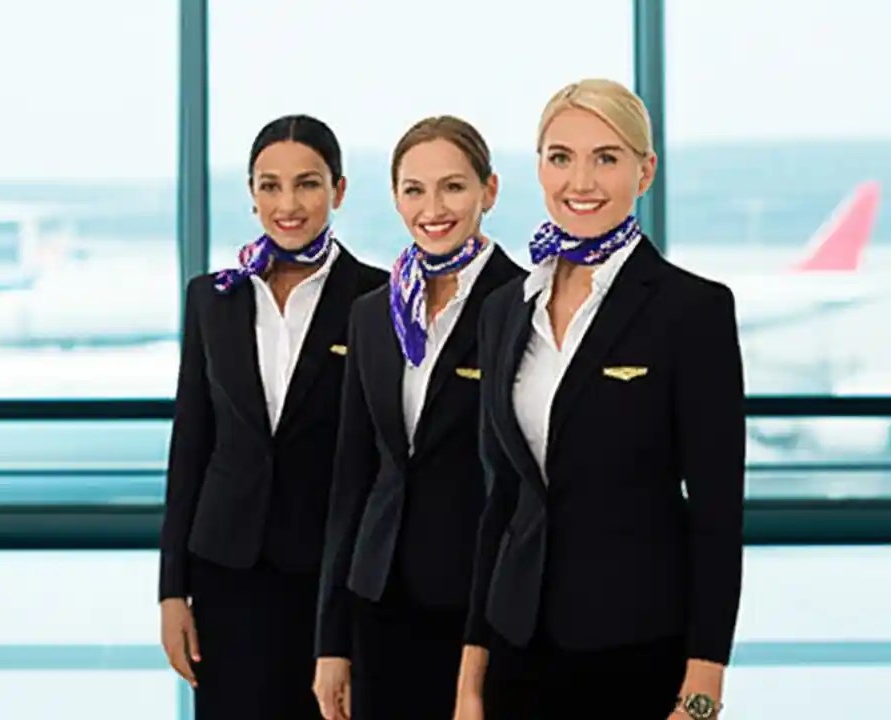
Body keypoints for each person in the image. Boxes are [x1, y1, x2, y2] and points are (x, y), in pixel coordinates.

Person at [453, 78, 746, 720]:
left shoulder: (691, 310)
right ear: (538, 168)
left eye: (606, 157)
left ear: (645, 172)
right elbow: (501, 501)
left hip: (637, 652)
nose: (580, 181)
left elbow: (718, 513)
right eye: (561, 157)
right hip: (516, 649)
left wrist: (702, 688)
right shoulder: (505, 309)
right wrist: (471, 679)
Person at [158, 114, 389, 720]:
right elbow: (191, 446)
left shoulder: (380, 298)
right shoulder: (213, 297)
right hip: (225, 572)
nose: (288, 204)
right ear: (252, 192)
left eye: (308, 184)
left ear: (338, 190)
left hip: (331, 575)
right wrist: (171, 591)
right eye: (270, 185)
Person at [311, 116, 524, 720]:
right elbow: (352, 481)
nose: (433, 207)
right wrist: (331, 643)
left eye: (453, 187)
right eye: (414, 189)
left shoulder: (524, 304)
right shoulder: (373, 315)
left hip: (483, 607)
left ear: (489, 190)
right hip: (380, 602)